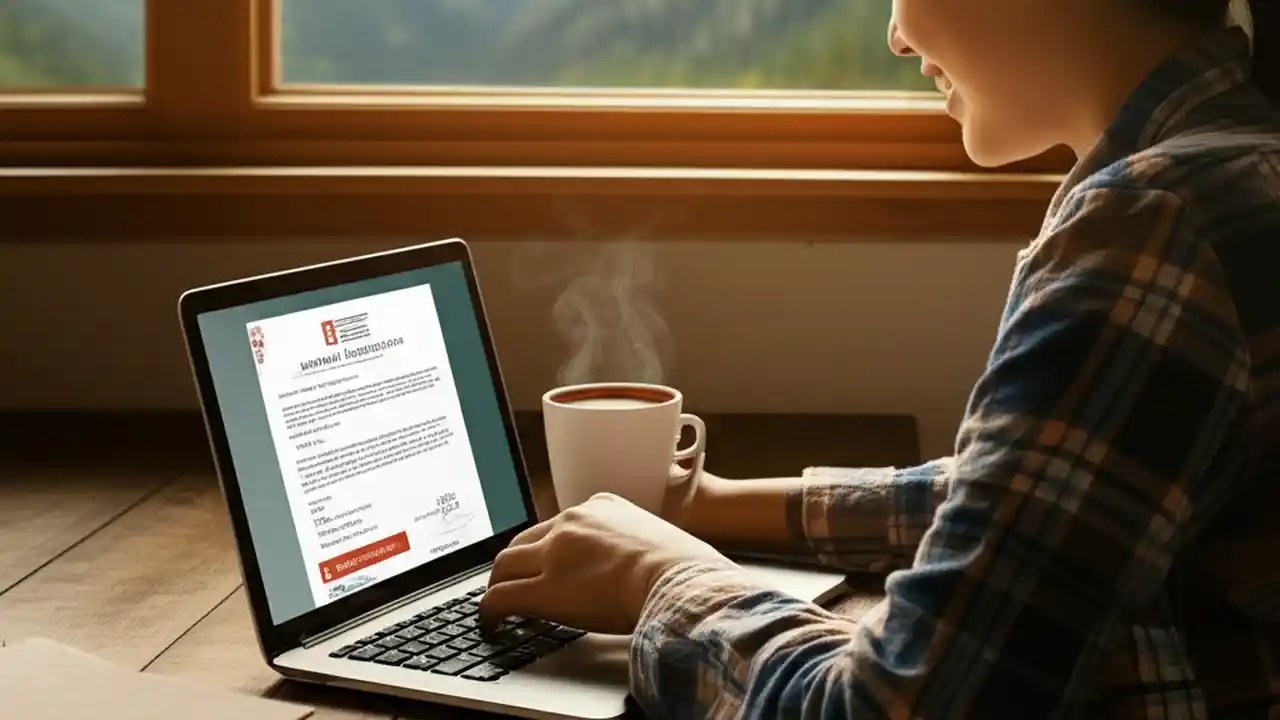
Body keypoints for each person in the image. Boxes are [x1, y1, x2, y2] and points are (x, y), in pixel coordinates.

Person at [479, 0, 1280, 716]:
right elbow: (1036, 506)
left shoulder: (1152, 225)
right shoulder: (1228, 169)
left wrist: (659, 578)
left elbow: (897, 705)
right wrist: (714, 506)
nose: (896, 36)